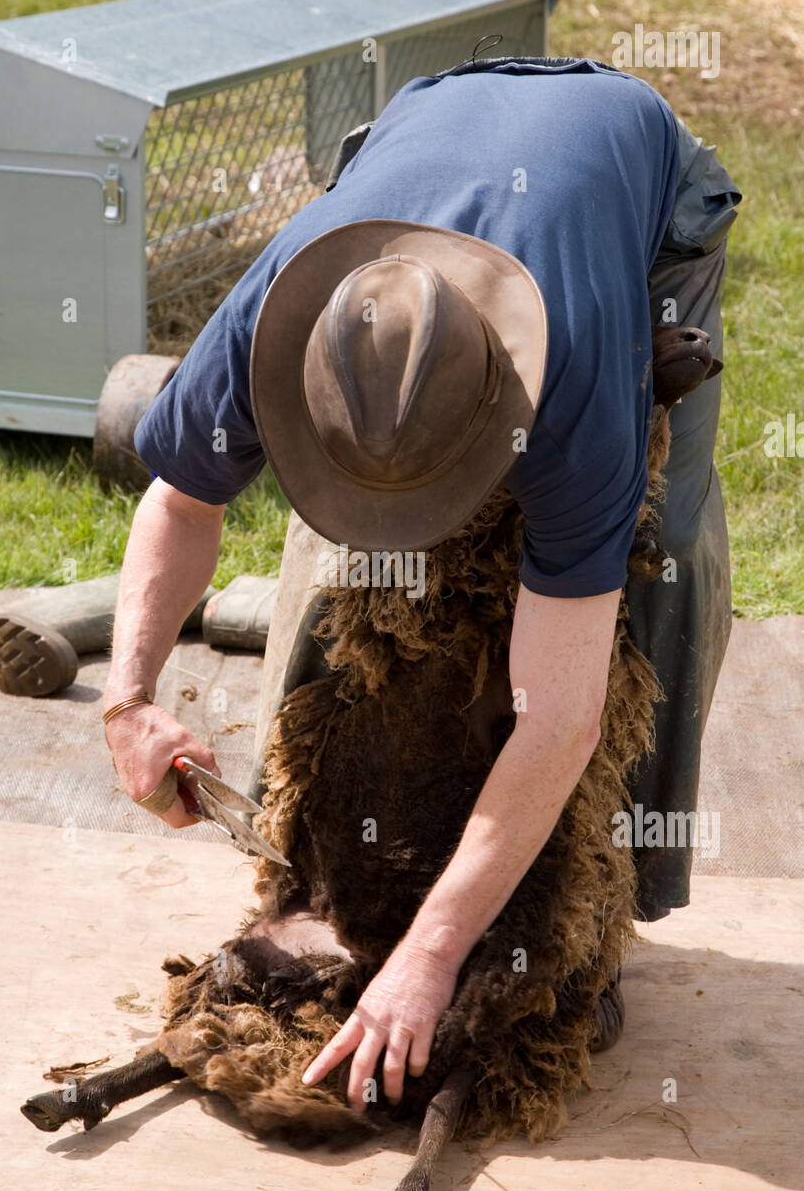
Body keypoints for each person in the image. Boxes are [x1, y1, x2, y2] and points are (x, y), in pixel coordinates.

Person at [103, 56, 741, 1112]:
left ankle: (588, 927)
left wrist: (432, 959)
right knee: (359, 581)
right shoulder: (278, 305)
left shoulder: (576, 392)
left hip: (639, 201)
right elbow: (178, 500)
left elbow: (560, 718)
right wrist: (127, 702)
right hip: (427, 126)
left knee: (650, 559)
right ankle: (318, 864)